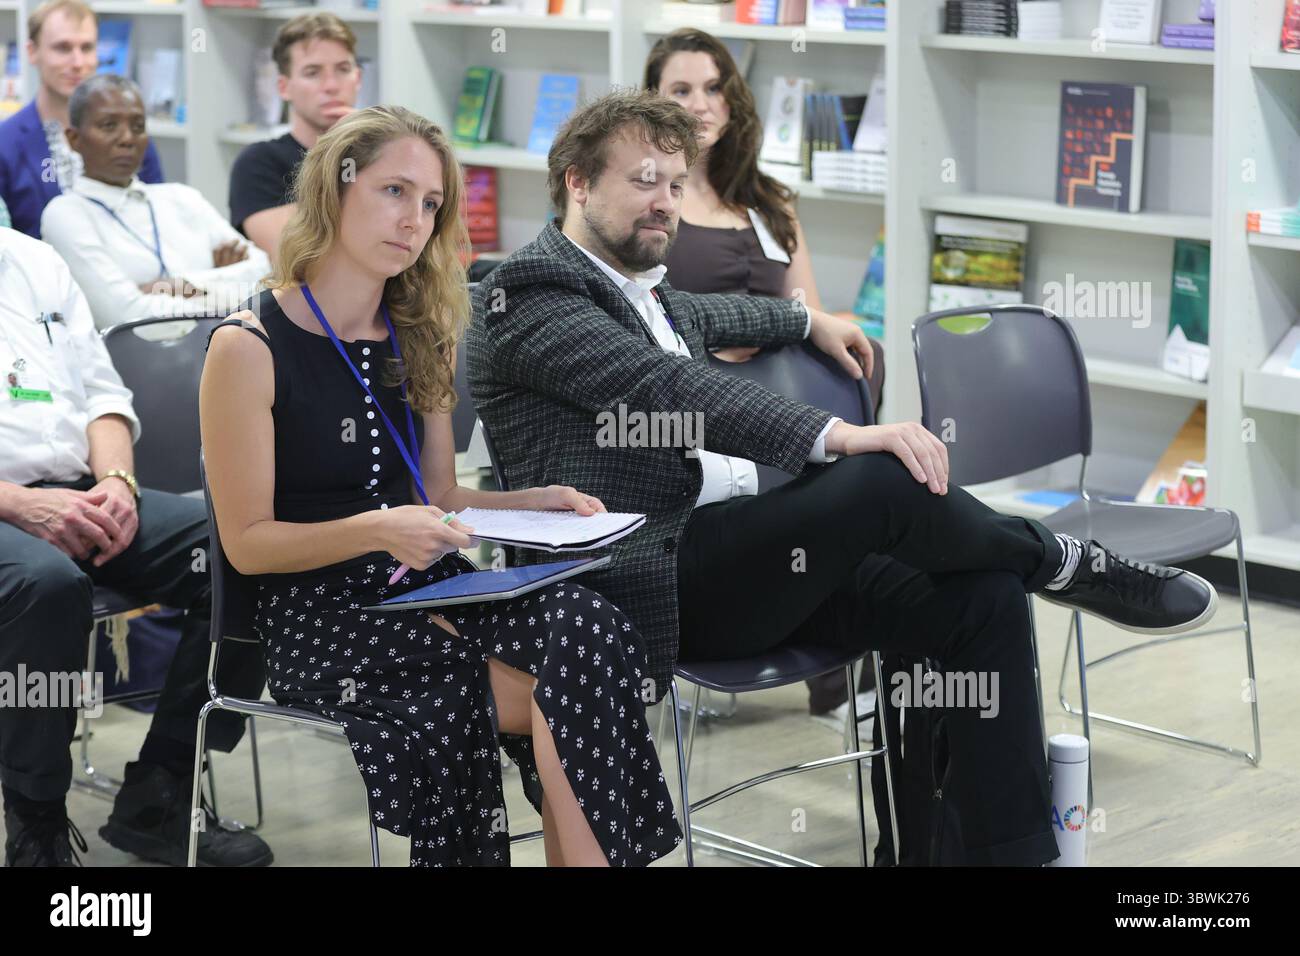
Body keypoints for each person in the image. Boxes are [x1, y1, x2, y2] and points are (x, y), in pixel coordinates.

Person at [466, 89, 1219, 866]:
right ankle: (1063, 562)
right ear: (576, 182)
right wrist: (840, 434)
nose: (665, 203)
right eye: (644, 180)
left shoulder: (645, 291)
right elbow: (668, 388)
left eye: (676, 184)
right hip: (644, 580)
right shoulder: (528, 295)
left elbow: (723, 315)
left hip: (745, 570)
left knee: (977, 595)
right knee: (879, 477)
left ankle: (1000, 856)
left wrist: (807, 318)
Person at [201, 105, 681, 867]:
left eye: (430, 204)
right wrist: (379, 528)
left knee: (592, 626)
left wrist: (531, 501)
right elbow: (248, 546)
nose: (415, 220)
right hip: (324, 612)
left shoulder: (418, 330)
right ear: (335, 190)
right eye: (395, 191)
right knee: (570, 686)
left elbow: (440, 496)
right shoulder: (248, 346)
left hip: (432, 584)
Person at [0, 225, 271, 867]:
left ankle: (163, 791)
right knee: (46, 586)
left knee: (246, 549)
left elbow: (101, 394)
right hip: (8, 507)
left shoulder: (33, 257)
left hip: (81, 491)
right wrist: (19, 503)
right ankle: (35, 820)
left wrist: (117, 482)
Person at [646, 27, 885, 722]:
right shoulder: (649, 202)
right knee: (842, 495)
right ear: (650, 103)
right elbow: (635, 324)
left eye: (714, 87)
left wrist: (812, 333)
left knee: (862, 362)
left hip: (783, 403)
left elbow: (806, 310)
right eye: (680, 90)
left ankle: (845, 671)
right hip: (695, 413)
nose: (701, 104)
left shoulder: (771, 199)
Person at [41, 76, 271, 333]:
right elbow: (128, 320)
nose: (127, 138)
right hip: (131, 371)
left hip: (219, 360)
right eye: (109, 125)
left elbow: (264, 278)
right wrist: (224, 291)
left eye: (138, 126)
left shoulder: (182, 198)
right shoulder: (66, 214)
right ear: (74, 139)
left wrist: (177, 285)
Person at [0, 0, 164, 239]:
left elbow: (159, 213)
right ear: (32, 52)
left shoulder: (129, 134)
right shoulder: (5, 144)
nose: (77, 63)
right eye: (63, 48)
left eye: (86, 48)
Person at [228, 12, 363, 261]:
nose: (331, 85)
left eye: (343, 69)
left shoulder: (377, 153)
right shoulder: (258, 162)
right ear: (284, 87)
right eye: (313, 73)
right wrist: (340, 148)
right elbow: (295, 255)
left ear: (358, 78)